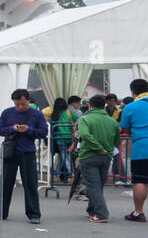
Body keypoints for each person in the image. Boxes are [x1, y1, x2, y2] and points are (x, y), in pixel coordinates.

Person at [0, 88, 47, 223]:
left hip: (27, 152)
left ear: (28, 101)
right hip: (10, 152)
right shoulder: (7, 113)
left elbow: (43, 132)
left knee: (30, 184)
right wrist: (12, 128)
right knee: (6, 183)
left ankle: (34, 214)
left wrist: (28, 130)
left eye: (23, 104)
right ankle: (2, 212)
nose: (20, 107)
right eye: (17, 104)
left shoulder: (37, 114)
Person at [76, 95, 119, 223]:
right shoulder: (112, 121)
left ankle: (101, 214)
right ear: (104, 106)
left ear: (90, 105)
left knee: (93, 186)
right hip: (106, 156)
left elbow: (84, 134)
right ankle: (92, 209)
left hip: (88, 156)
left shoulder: (85, 119)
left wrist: (98, 147)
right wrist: (107, 150)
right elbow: (117, 140)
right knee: (98, 186)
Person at [119, 78, 148, 222]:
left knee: (141, 180)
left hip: (142, 147)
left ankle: (138, 212)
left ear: (133, 91)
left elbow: (124, 128)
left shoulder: (130, 107)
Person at [49, 97, 78, 182]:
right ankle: (58, 175)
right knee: (64, 156)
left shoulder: (54, 114)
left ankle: (70, 174)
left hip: (59, 138)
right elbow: (77, 119)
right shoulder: (69, 112)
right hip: (69, 137)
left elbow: (51, 126)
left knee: (63, 156)